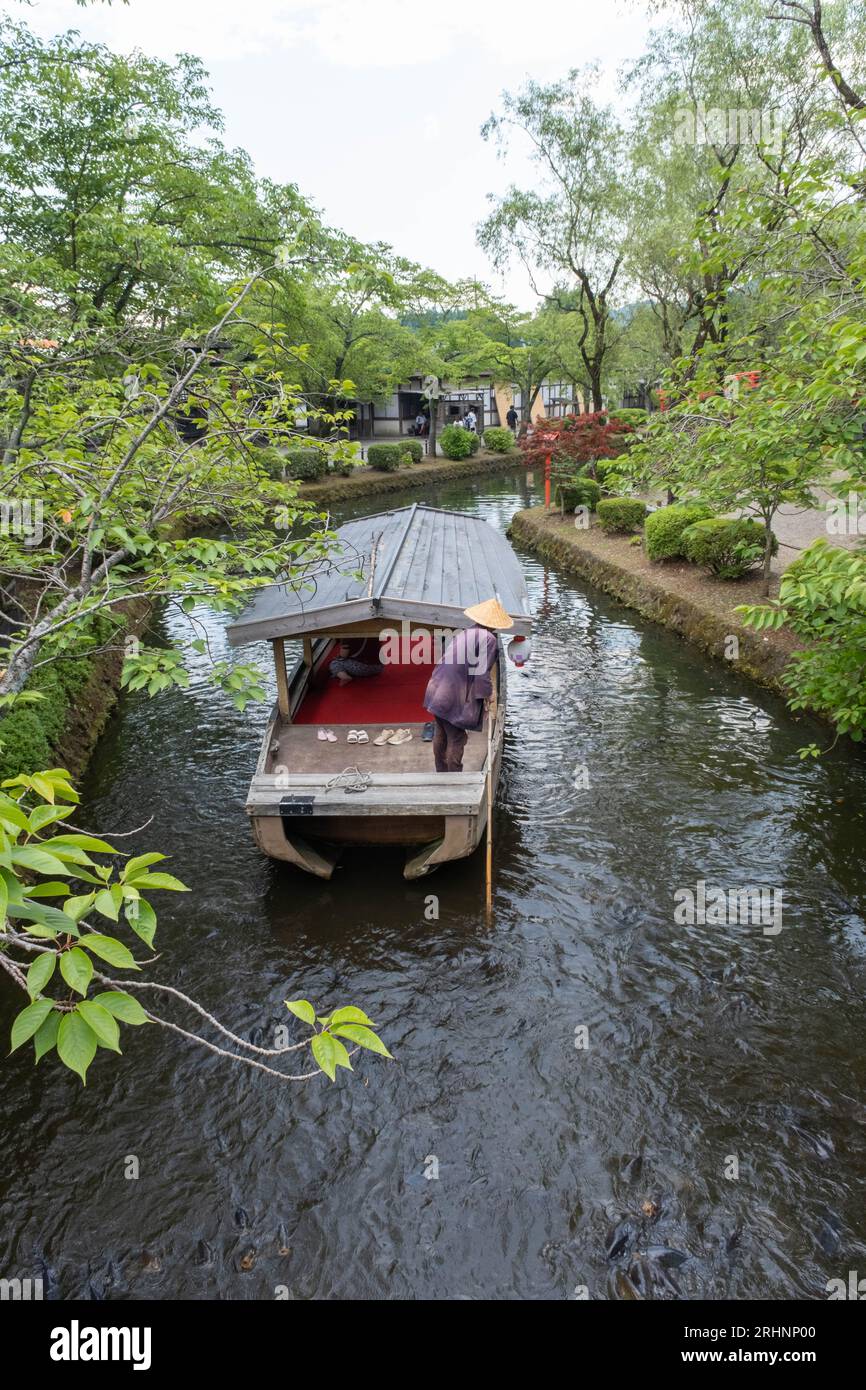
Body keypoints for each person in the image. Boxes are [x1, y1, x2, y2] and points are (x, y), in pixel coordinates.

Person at [423, 597, 513, 772]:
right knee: (456, 738)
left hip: (436, 688)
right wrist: (489, 694)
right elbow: (481, 673)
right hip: (451, 693)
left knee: (441, 731)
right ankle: (454, 778)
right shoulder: (489, 639)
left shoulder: (466, 632)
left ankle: (441, 772)